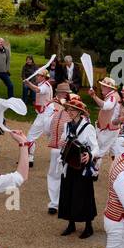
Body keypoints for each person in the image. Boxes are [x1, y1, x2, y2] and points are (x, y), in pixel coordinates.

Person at [57, 95, 100, 239]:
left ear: (80, 112)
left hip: (82, 166)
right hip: (69, 164)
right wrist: (61, 144)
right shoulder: (67, 125)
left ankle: (89, 226)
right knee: (68, 193)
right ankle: (71, 224)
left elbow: (96, 148)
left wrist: (90, 156)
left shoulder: (88, 128)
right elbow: (62, 141)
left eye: (73, 110)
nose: (69, 112)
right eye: (69, 109)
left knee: (84, 194)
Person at [43, 85, 73, 215]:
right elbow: (46, 126)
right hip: (57, 147)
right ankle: (54, 203)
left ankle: (63, 202)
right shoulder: (51, 106)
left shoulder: (74, 106)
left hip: (69, 148)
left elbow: (46, 127)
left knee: (67, 174)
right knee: (55, 174)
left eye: (67, 93)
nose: (65, 95)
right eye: (64, 93)